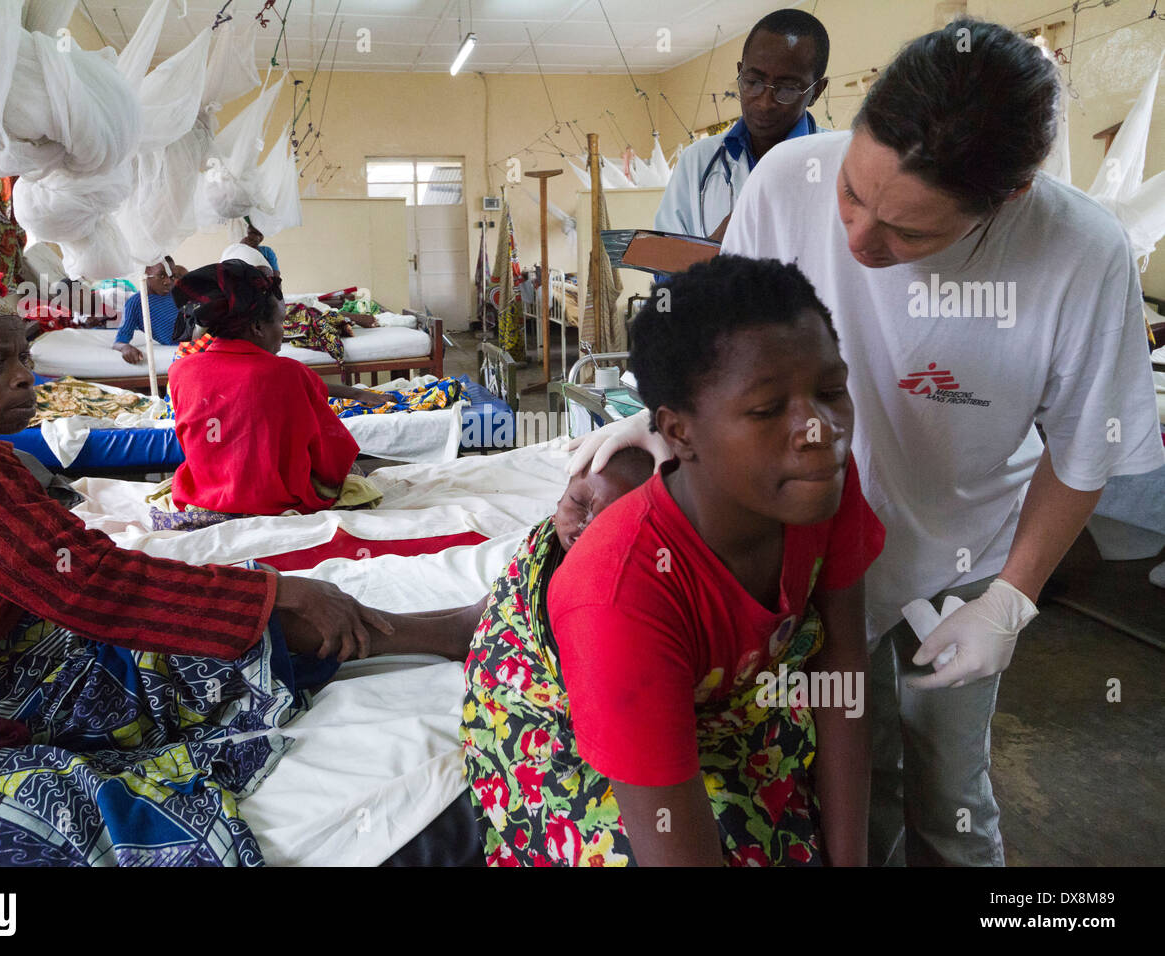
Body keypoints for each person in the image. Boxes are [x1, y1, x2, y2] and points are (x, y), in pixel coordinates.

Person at [571, 19, 1164, 867]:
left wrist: (1011, 600)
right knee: (854, 765)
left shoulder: (1080, 254)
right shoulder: (787, 176)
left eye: (909, 235)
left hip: (966, 556)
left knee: (949, 787)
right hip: (816, 540)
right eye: (852, 194)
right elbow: (720, 332)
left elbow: (1086, 451)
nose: (856, 241)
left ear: (1009, 199)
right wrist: (664, 418)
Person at [0, 253, 478, 849]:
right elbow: (92, 585)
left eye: (23, 355)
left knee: (234, 598)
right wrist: (281, 591)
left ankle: (428, 631)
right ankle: (443, 632)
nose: (25, 375)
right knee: (239, 620)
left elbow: (64, 567)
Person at [465, 256, 884, 866]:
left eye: (830, 391)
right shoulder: (621, 594)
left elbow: (843, 669)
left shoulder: (817, 488)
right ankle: (432, 629)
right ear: (678, 433)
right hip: (556, 701)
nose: (820, 431)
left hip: (712, 688)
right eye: (768, 410)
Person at [167, 260, 388, 517]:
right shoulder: (288, 372)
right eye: (281, 323)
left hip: (205, 496)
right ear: (258, 327)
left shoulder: (180, 371)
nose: (283, 333)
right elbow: (330, 453)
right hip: (271, 499)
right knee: (355, 476)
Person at [654, 8, 829, 241]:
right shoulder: (697, 161)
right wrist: (716, 249)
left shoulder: (839, 165)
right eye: (753, 81)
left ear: (816, 92)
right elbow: (663, 269)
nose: (764, 103)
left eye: (787, 88)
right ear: (740, 73)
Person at [112, 257, 179, 365]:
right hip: (190, 345)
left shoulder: (175, 294)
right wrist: (125, 348)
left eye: (171, 277)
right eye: (161, 275)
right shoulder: (137, 303)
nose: (168, 281)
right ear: (145, 275)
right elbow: (119, 341)